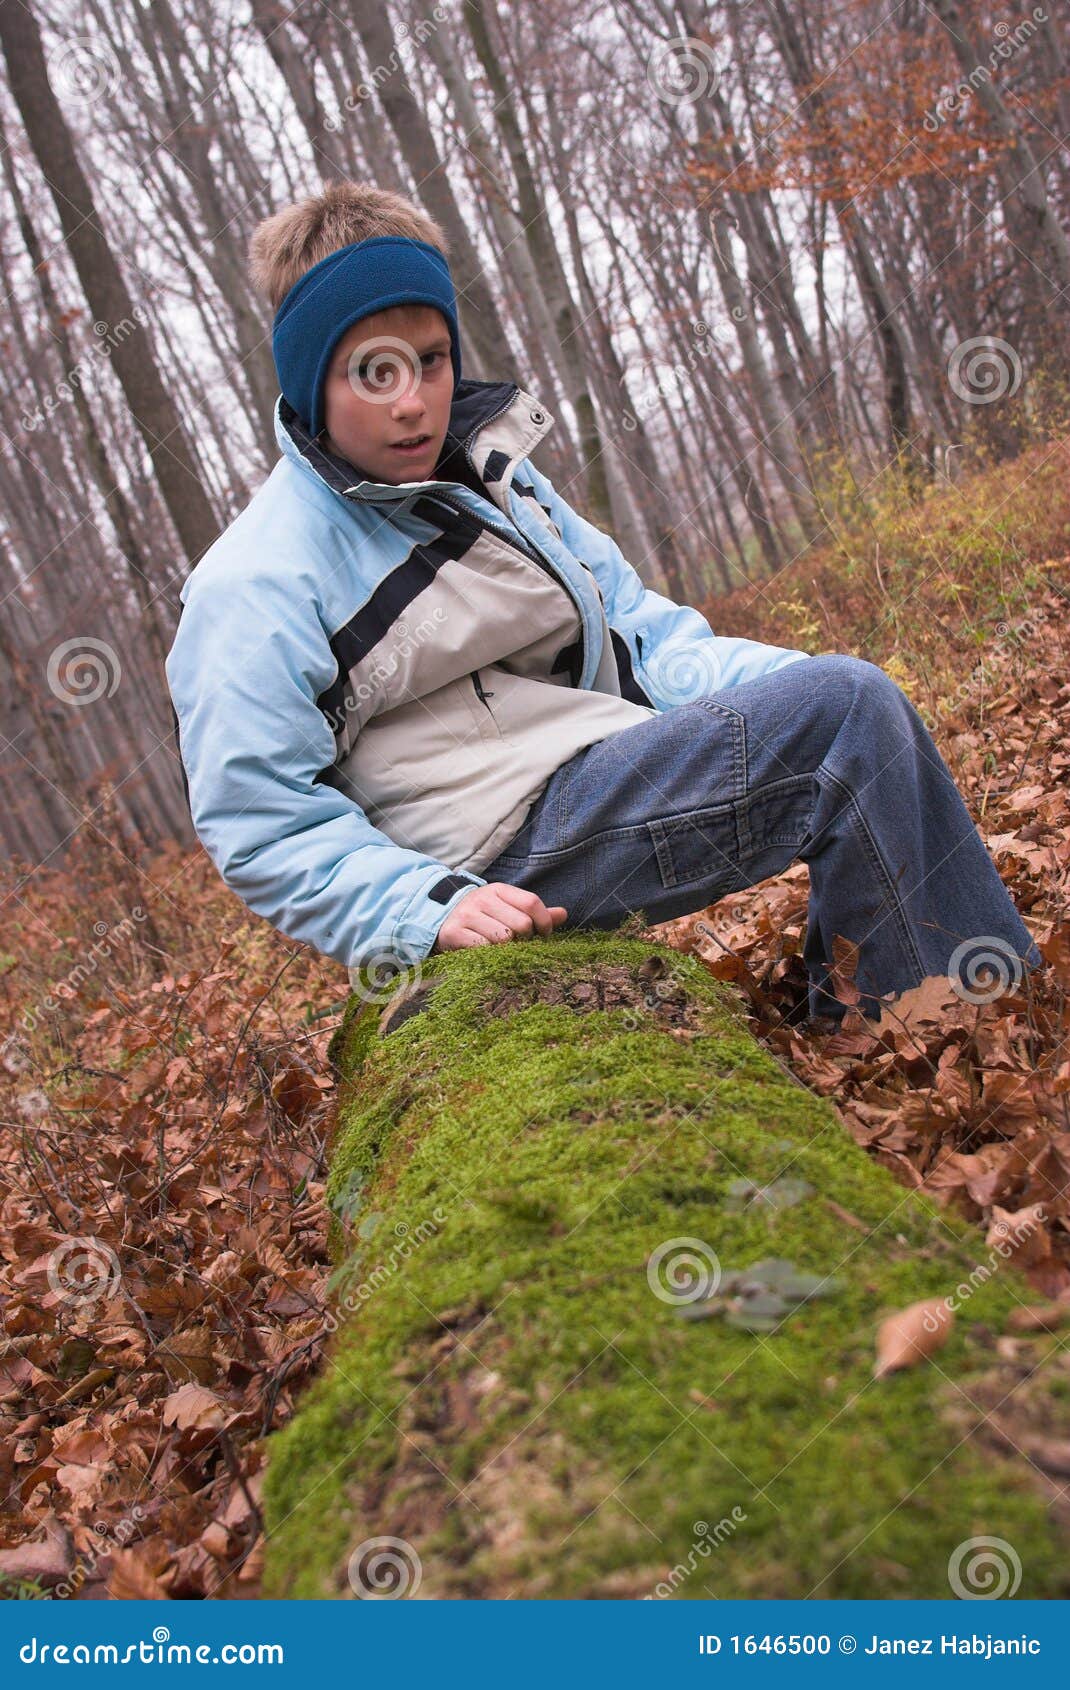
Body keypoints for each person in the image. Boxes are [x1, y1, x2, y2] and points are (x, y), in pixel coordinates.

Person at [166, 182, 1037, 1019]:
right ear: (311, 379)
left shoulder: (494, 478)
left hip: (588, 773)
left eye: (430, 361)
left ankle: (895, 1016)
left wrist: (791, 686)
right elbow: (259, 816)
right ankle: (956, 1018)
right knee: (848, 716)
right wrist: (418, 908)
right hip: (486, 857)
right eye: (372, 372)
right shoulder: (255, 580)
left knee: (849, 705)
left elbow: (636, 632)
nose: (412, 402)